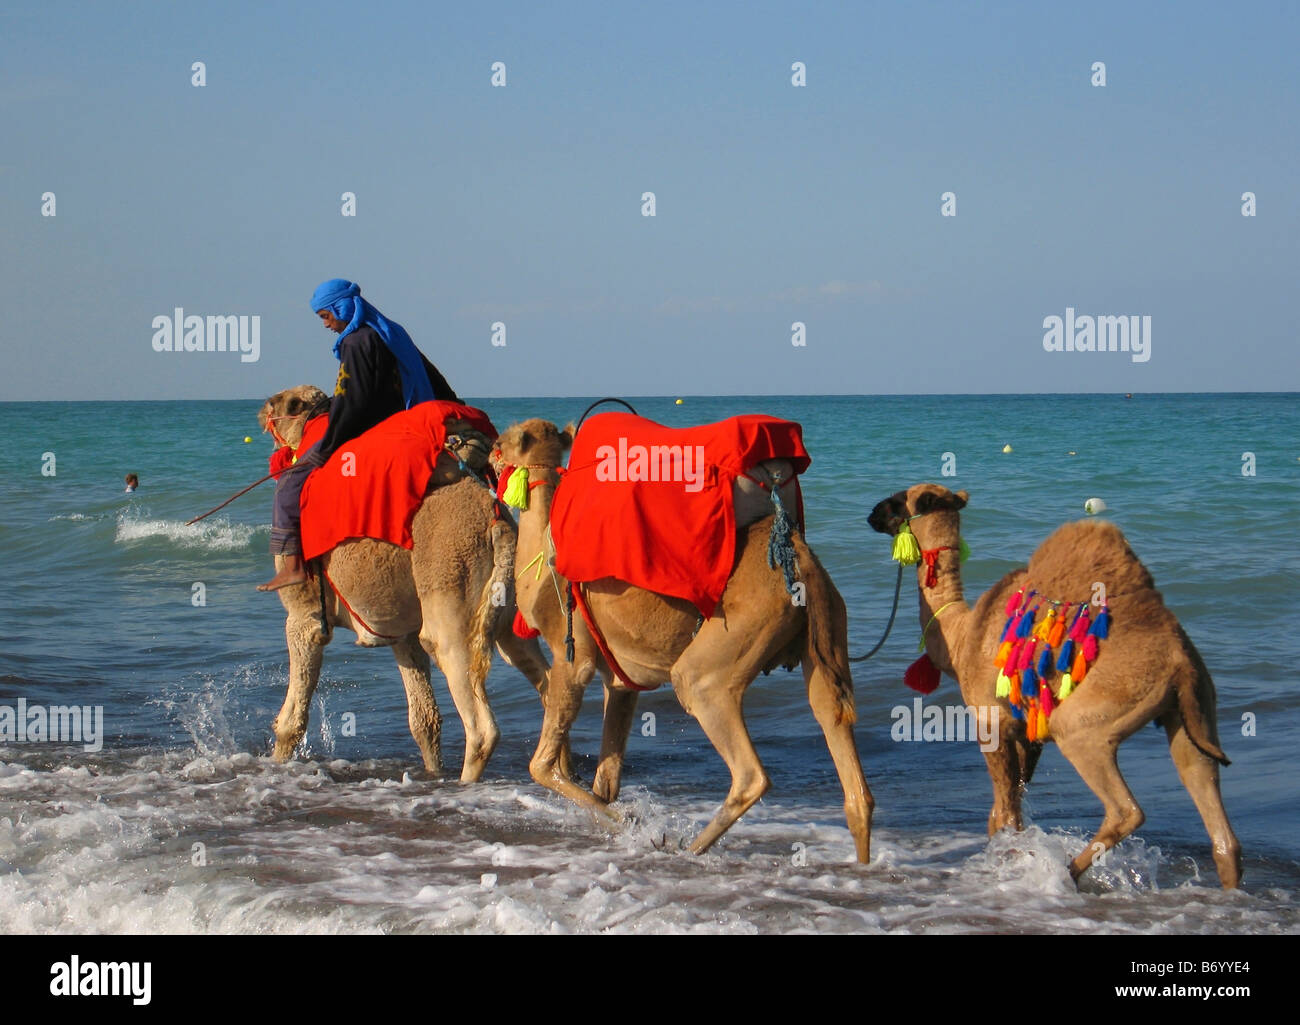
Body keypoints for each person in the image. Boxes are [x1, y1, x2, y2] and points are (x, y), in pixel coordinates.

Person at [257, 279, 461, 591]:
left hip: (379, 432)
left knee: (291, 482)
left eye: (326, 317)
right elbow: (430, 375)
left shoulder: (355, 343)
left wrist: (329, 445)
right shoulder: (390, 332)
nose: (326, 325)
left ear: (340, 308)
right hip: (412, 422)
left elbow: (354, 404)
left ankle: (293, 565)